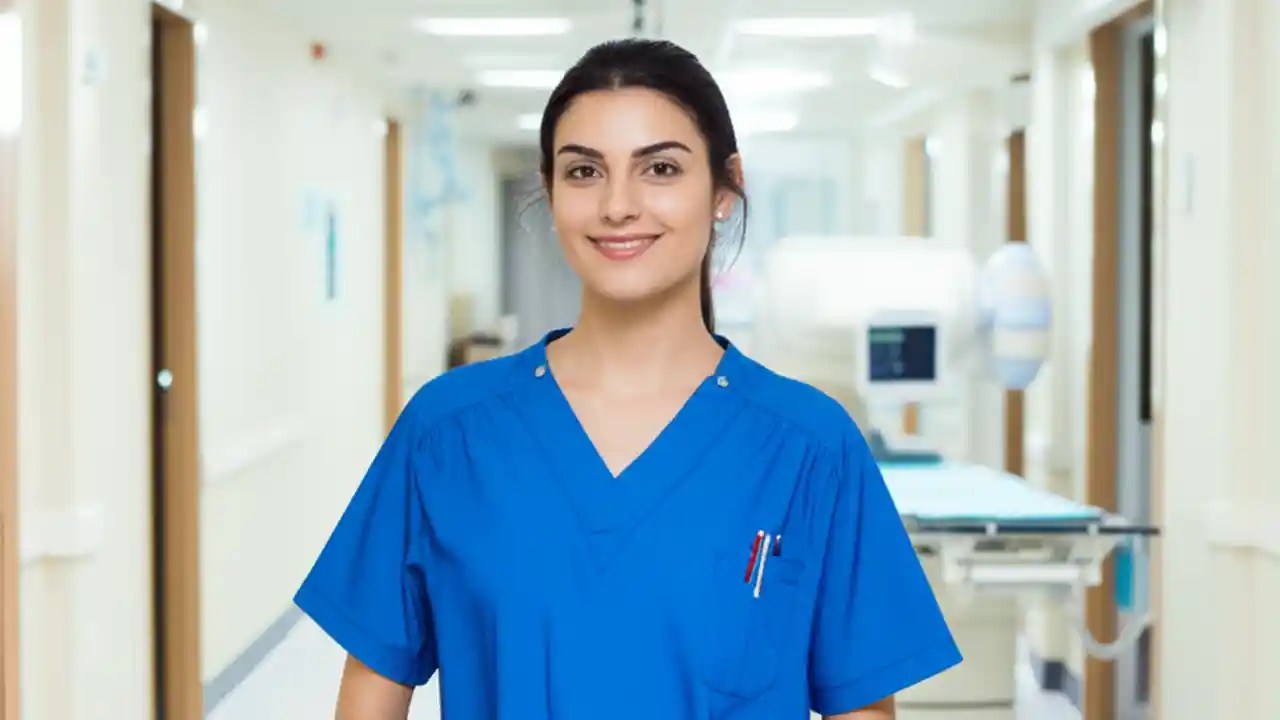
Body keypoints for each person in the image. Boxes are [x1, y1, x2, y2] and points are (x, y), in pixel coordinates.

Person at [294, 37, 962, 720]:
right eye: (584, 172)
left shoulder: (811, 448)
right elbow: (369, 700)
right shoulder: (448, 433)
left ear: (727, 187)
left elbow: (863, 709)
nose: (618, 205)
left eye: (661, 168)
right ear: (551, 193)